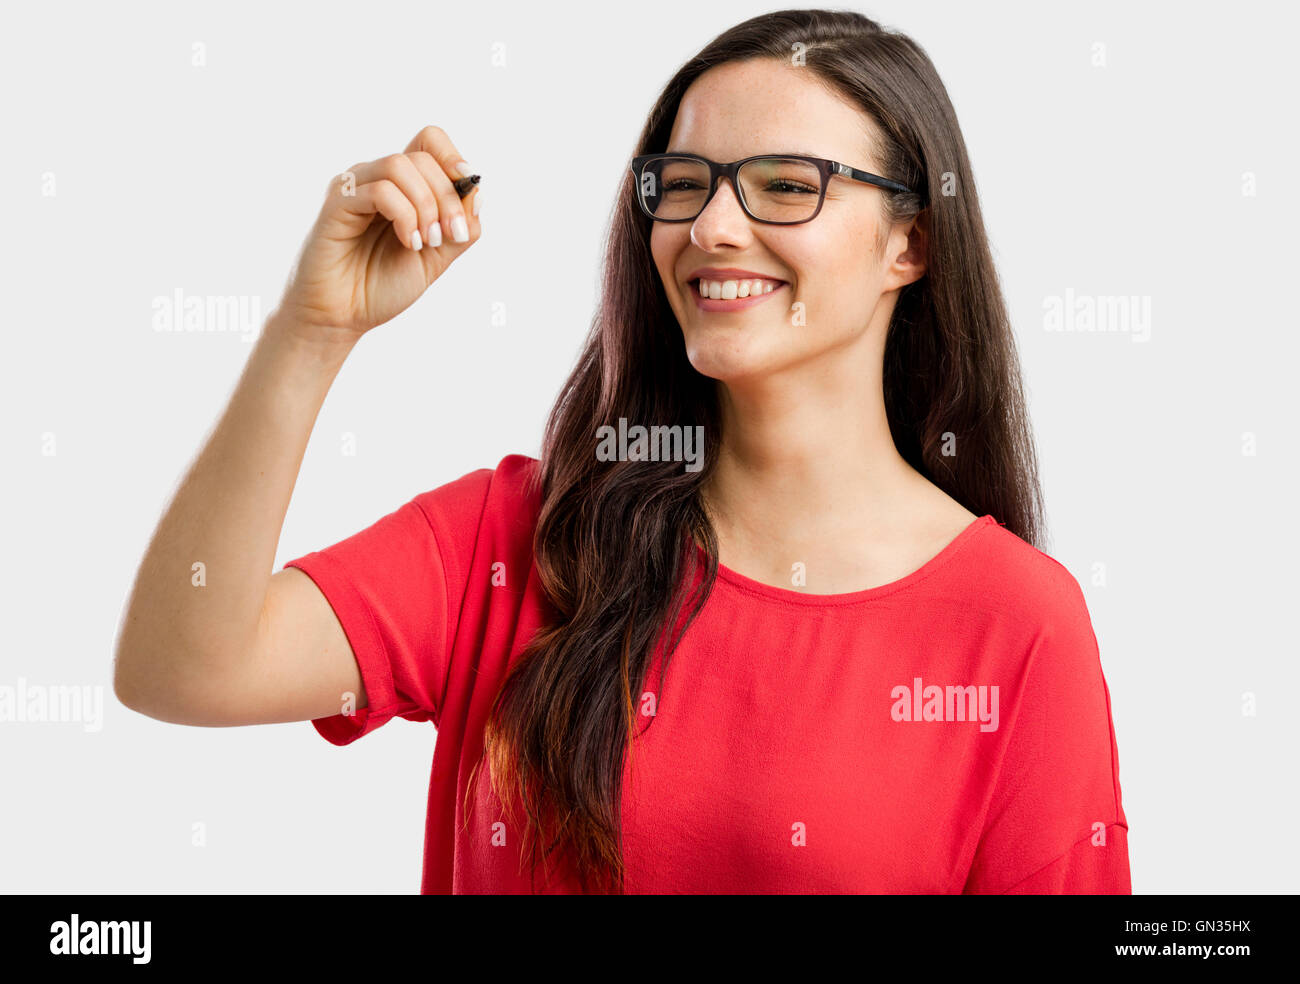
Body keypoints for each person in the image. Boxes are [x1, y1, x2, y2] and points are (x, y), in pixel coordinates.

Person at [114, 8, 1130, 894]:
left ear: (909, 244)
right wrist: (313, 328)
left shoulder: (1017, 627)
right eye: (683, 183)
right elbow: (181, 667)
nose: (713, 226)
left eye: (786, 186)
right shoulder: (517, 539)